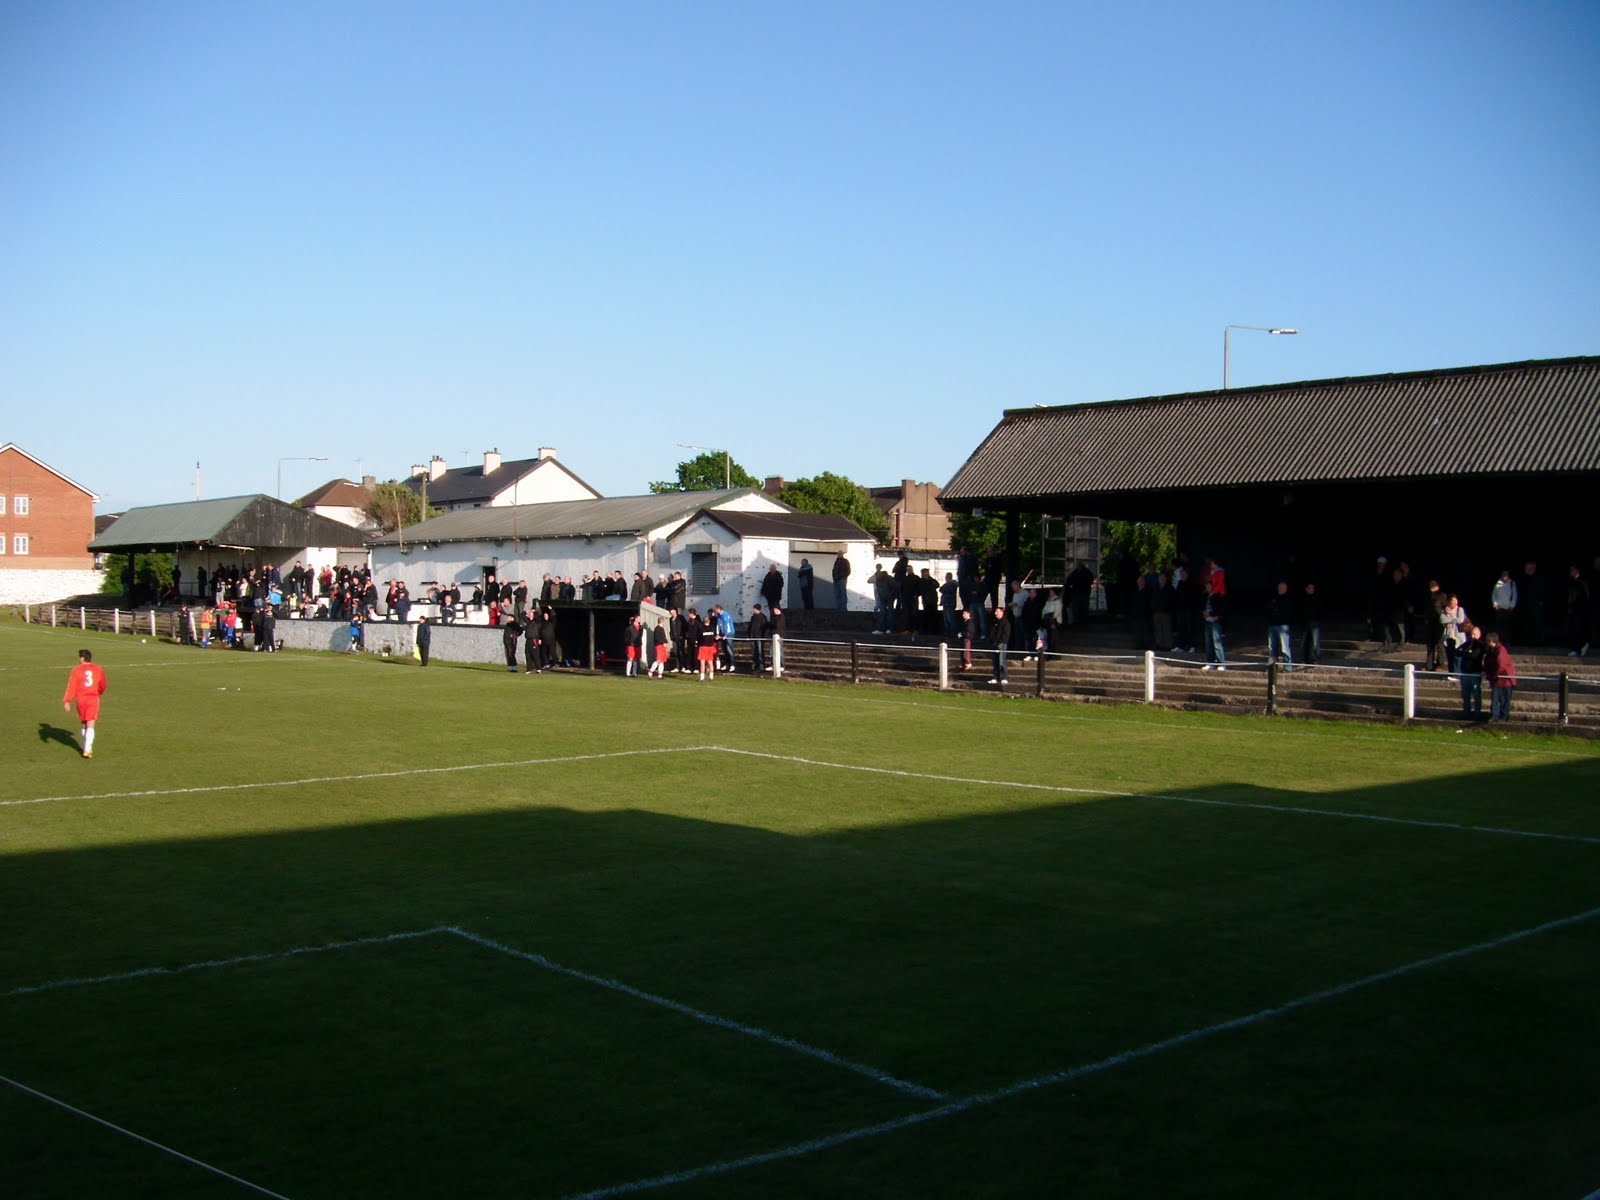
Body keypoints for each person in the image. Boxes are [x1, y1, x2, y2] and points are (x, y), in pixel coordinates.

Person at [62, 649, 108, 759]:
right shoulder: (98, 669)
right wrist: (99, 692)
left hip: (81, 699)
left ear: (82, 658)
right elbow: (103, 684)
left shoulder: (76, 670)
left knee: (84, 723)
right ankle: (87, 749)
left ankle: (86, 747)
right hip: (93, 698)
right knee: (90, 722)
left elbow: (71, 686)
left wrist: (67, 700)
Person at [1484, 630, 1517, 721]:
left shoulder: (1500, 651)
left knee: (1504, 699)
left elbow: (1501, 666)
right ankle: (1495, 715)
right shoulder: (1492, 650)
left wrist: (1494, 675)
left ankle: (1504, 716)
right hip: (1497, 679)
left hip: (1504, 679)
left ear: (1491, 641)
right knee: (1495, 698)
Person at [1457, 624, 1486, 719]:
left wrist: (1466, 652)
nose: (1472, 636)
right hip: (1465, 673)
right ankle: (1466, 714)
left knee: (1476, 695)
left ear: (1479, 635)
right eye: (1471, 634)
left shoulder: (1480, 645)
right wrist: (1466, 652)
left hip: (1475, 673)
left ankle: (1477, 714)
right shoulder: (1467, 643)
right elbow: (1457, 651)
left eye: (1474, 634)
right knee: (1466, 695)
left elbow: (1474, 655)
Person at [1265, 581, 1293, 668]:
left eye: (1283, 587)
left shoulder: (1288, 599)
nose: (1281, 589)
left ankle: (1288, 666)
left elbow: (1288, 611)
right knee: (1272, 646)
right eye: (1280, 587)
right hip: (1272, 624)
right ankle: (1272, 666)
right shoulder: (1273, 598)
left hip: (1283, 625)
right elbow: (1268, 608)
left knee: (1285, 647)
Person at [1299, 582, 1321, 666]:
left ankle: (1315, 659)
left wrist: (1317, 620)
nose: (1311, 590)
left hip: (1315, 623)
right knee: (1304, 643)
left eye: (1313, 588)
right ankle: (1304, 659)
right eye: (1310, 588)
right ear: (1306, 589)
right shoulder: (1303, 599)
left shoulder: (1317, 599)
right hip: (1305, 623)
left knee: (1315, 643)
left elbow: (1319, 611)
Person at [695, 609, 719, 681]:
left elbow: (698, 638)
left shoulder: (701, 629)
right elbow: (715, 637)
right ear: (709, 621)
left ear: (703, 621)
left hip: (703, 647)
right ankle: (711, 677)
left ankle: (702, 677)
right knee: (710, 662)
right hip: (711, 647)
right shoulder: (713, 629)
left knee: (702, 663)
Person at [748, 603, 770, 672]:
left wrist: (762, 636)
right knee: (754, 652)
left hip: (759, 637)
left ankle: (761, 665)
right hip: (753, 637)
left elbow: (764, 628)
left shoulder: (762, 617)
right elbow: (750, 627)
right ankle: (755, 664)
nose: (753, 610)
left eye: (754, 609)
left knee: (760, 651)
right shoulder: (753, 617)